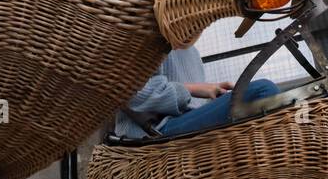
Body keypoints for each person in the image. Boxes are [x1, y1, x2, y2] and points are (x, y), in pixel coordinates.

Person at [114, 45, 280, 140]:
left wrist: (213, 97)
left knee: (287, 100)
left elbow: (192, 104)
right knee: (263, 91)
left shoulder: (193, 52)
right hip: (154, 130)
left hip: (182, 123)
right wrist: (193, 89)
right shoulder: (149, 38)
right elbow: (132, 92)